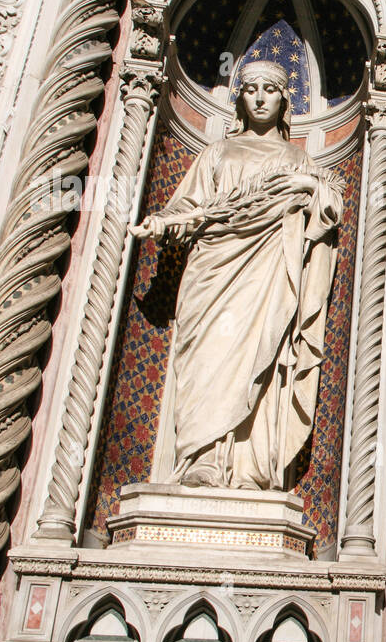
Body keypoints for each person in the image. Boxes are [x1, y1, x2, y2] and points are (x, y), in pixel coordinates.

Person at [134, 60, 343, 490]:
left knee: (262, 357)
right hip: (213, 272)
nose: (260, 98)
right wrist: (165, 223)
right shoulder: (217, 153)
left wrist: (310, 189)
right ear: (239, 99)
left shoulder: (298, 159)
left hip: (268, 271)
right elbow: (188, 208)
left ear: (285, 99)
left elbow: (328, 207)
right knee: (211, 358)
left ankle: (249, 468)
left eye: (270, 89)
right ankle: (201, 459)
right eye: (251, 90)